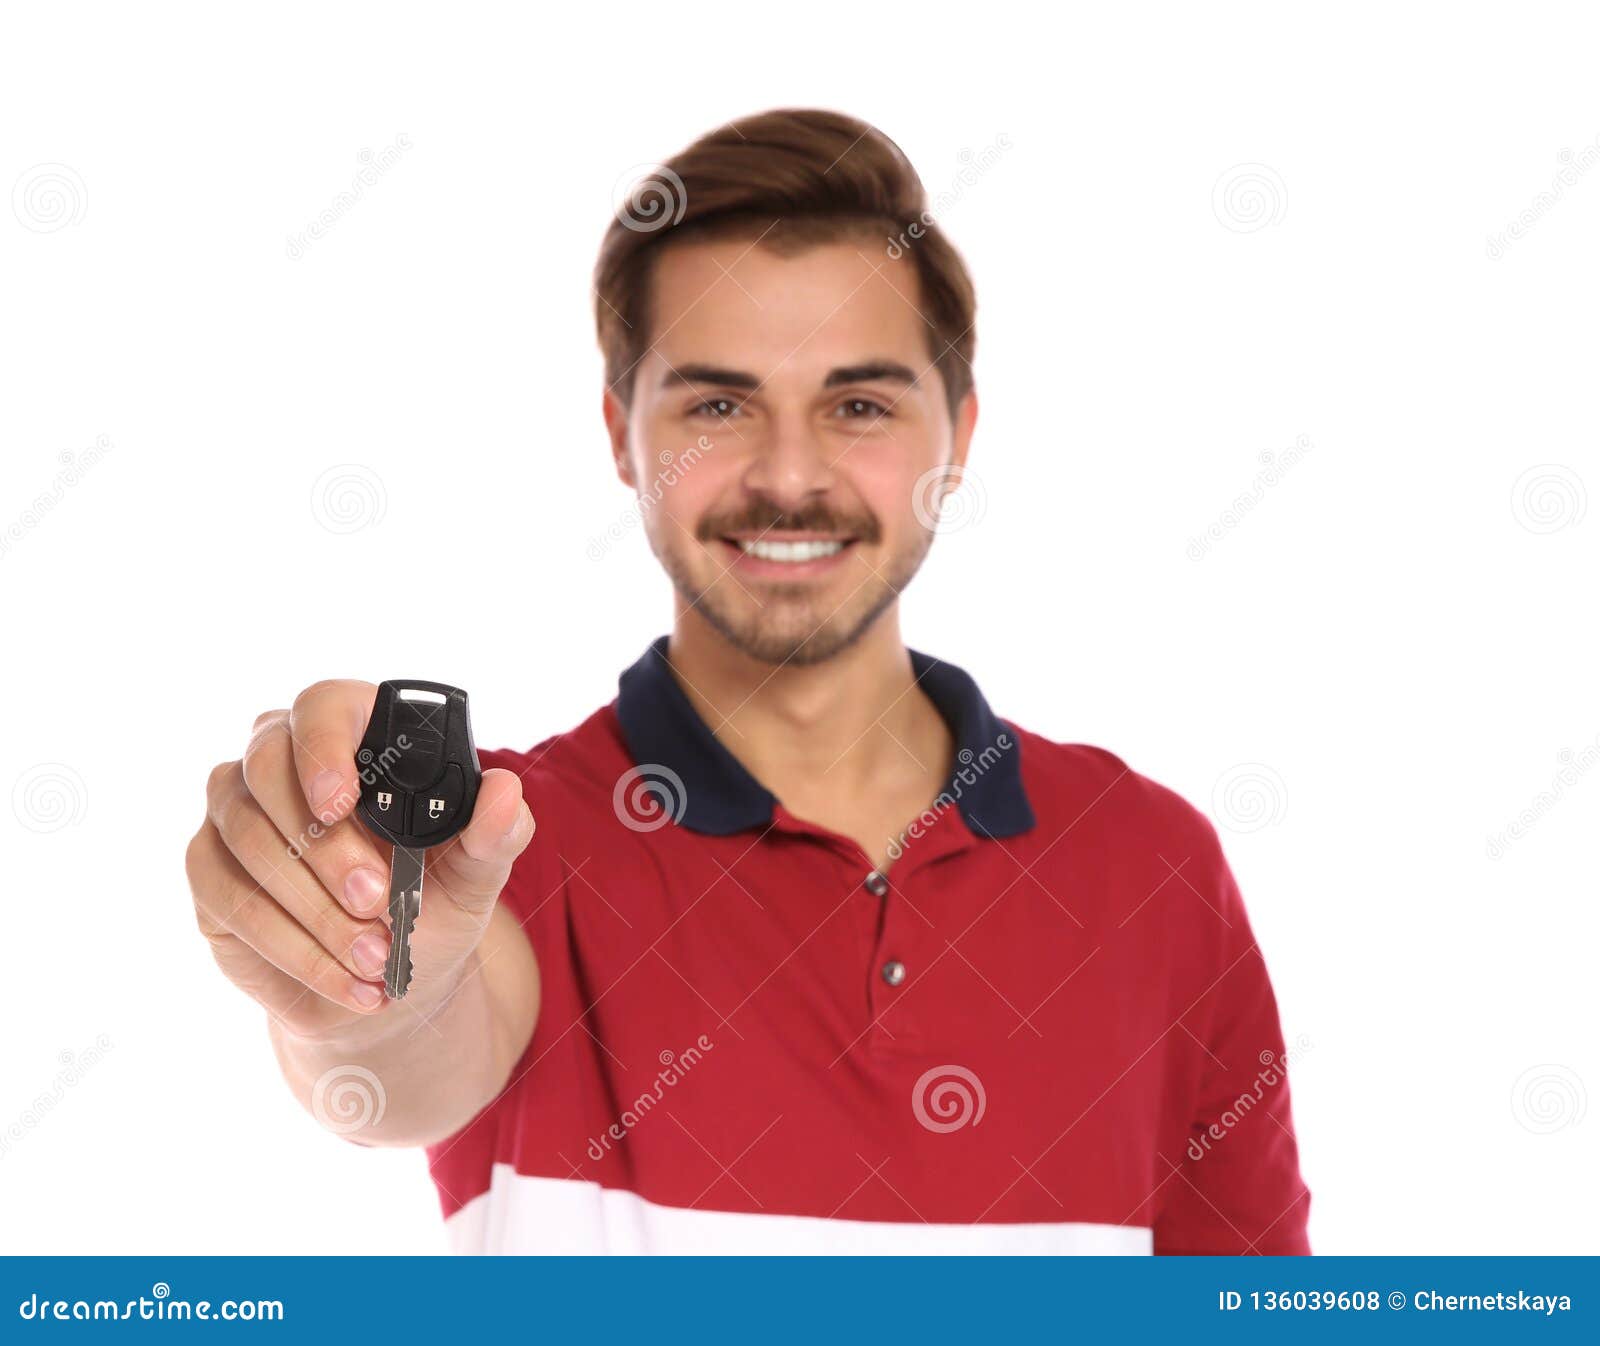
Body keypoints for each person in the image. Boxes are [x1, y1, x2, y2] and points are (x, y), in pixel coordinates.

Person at [185, 107, 1310, 1254]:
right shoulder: (513, 838)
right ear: (624, 434)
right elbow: (404, 1050)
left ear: (956, 436)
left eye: (858, 404)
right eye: (717, 405)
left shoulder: (1151, 867)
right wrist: (354, 977)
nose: (787, 475)